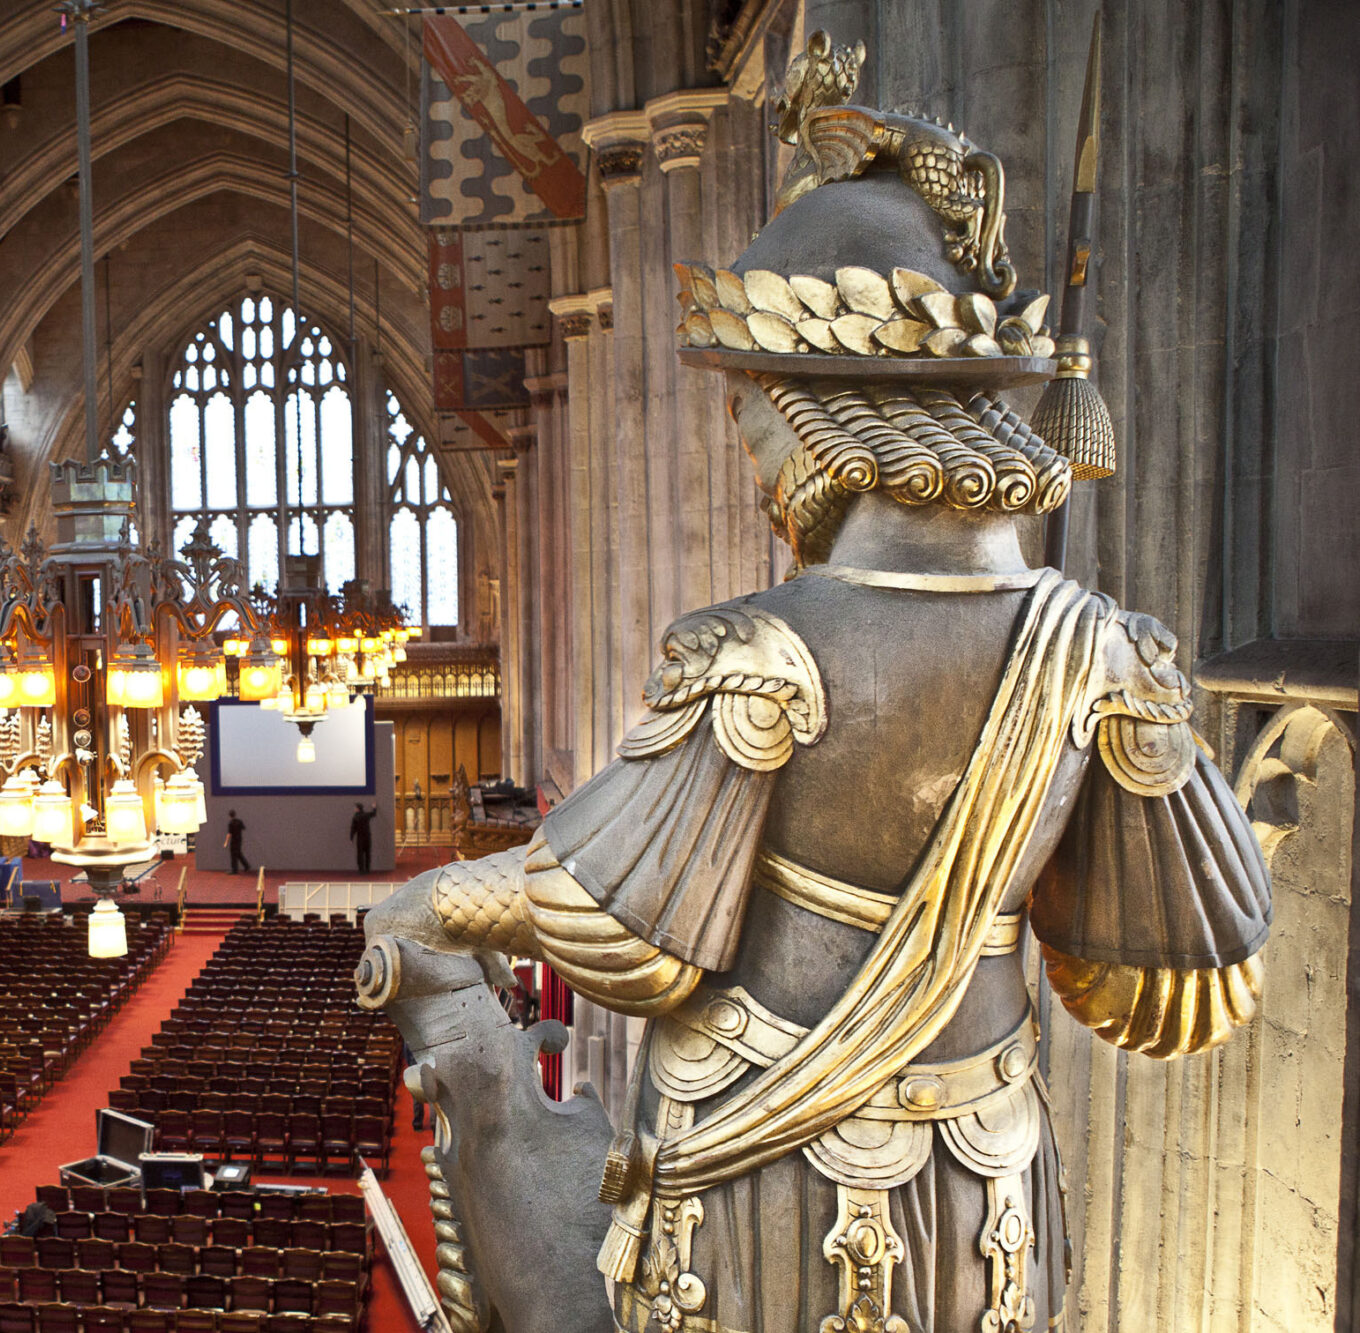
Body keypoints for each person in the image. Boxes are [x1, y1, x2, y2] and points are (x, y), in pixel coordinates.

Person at [356, 34, 1275, 1333]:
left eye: (748, 396)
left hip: (779, 1187)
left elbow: (623, 923)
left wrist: (444, 895)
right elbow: (1183, 972)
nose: (737, 432)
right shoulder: (1109, 652)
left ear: (819, 403)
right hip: (996, 1182)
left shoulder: (760, 652)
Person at [348, 802, 379, 874]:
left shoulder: (355, 817)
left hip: (360, 837)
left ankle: (361, 870)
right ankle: (367, 869)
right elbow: (373, 814)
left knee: (360, 854)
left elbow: (353, 828)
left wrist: (351, 837)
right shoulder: (366, 815)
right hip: (367, 836)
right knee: (368, 853)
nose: (354, 809)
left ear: (357, 809)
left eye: (355, 808)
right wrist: (374, 807)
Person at [225, 810, 249, 875]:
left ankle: (234, 870)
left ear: (230, 816)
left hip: (233, 841)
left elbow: (229, 834)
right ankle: (246, 866)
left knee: (233, 855)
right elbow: (243, 828)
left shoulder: (230, 823)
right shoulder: (239, 821)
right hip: (239, 840)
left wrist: (226, 842)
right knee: (238, 853)